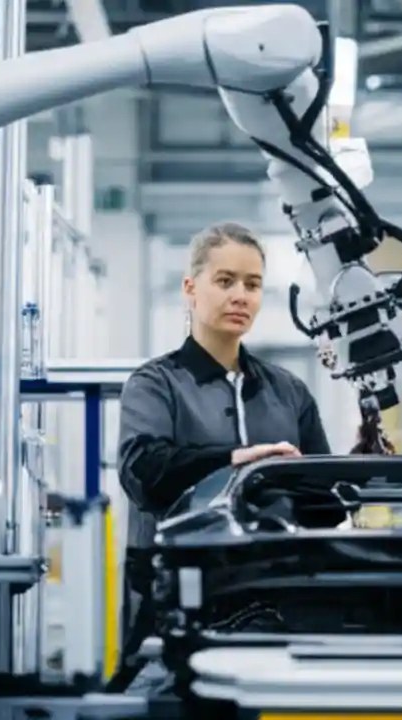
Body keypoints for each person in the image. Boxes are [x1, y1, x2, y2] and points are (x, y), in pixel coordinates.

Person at [112, 221, 331, 694]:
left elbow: (326, 510)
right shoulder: (156, 385)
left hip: (275, 603)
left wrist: (352, 470)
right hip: (175, 602)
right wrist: (237, 459)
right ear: (191, 289)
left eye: (252, 285)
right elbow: (145, 475)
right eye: (225, 281)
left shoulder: (288, 392)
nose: (241, 296)